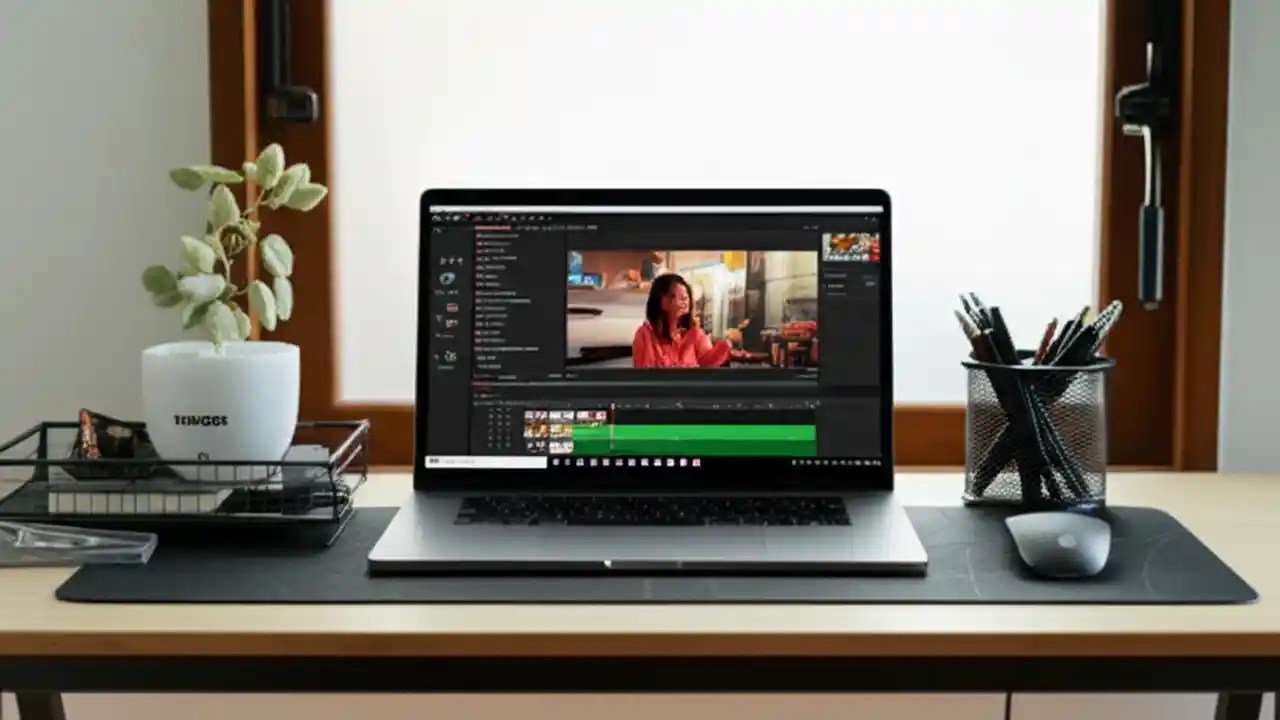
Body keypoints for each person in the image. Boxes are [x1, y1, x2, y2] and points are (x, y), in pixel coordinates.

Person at [632, 273, 732, 368]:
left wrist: (725, 345)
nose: (685, 299)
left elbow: (707, 363)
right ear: (661, 301)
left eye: (686, 296)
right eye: (674, 295)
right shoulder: (645, 335)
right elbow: (644, 377)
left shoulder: (695, 334)